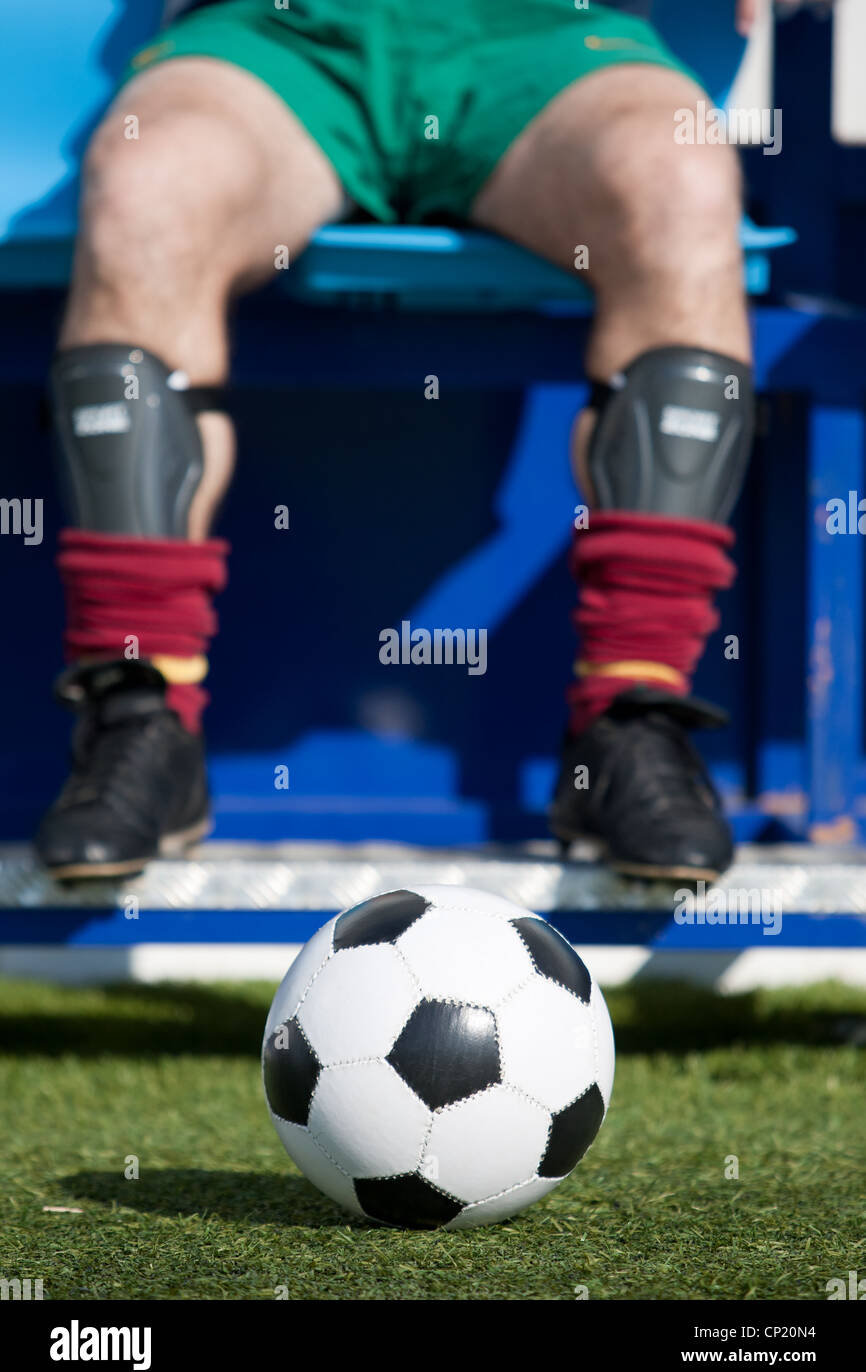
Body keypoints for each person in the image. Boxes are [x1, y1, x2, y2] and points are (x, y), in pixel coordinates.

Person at [36, 0, 763, 881]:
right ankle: (141, 714)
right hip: (280, 40)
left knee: (680, 176)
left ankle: (630, 719)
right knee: (148, 179)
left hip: (549, 41)